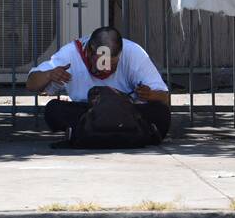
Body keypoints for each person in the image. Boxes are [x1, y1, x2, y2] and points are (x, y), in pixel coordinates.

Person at [26, 26, 172, 140]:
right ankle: (130, 135)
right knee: (53, 110)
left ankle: (90, 135)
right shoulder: (71, 53)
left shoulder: (133, 51)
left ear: (120, 54)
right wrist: (49, 74)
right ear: (89, 52)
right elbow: (31, 84)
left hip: (126, 112)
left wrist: (150, 95)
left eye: (112, 66)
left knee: (161, 113)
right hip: (88, 113)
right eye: (98, 66)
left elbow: (164, 98)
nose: (104, 72)